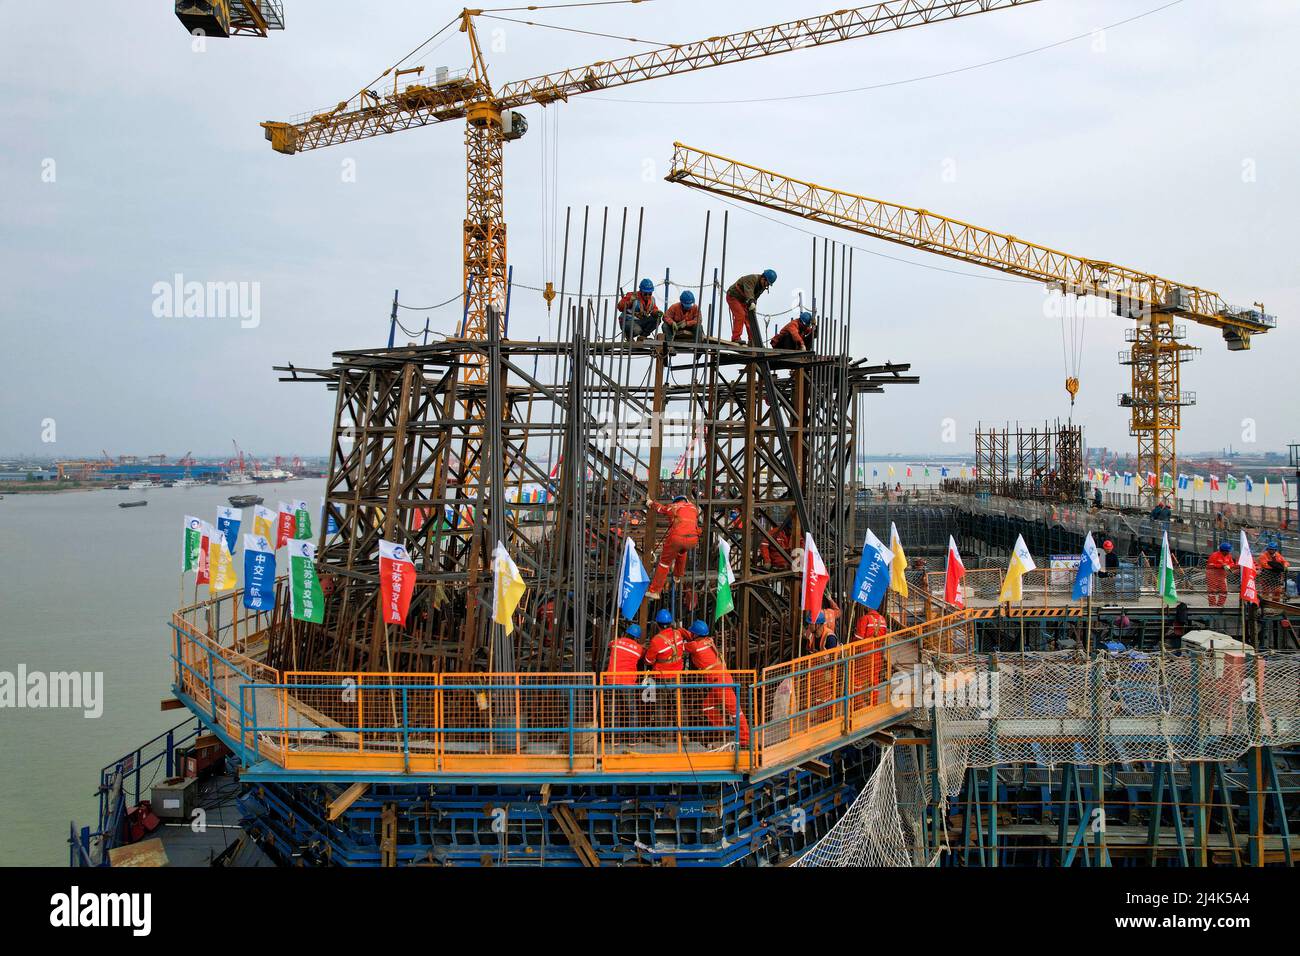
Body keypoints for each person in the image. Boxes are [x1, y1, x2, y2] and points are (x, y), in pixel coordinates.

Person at [683, 620, 751, 748]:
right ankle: (725, 728)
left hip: (720, 683)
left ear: (696, 635)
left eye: (693, 633)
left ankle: (745, 740)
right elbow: (691, 636)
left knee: (736, 711)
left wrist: (677, 631)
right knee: (707, 706)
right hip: (721, 680)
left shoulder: (695, 646)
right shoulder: (708, 640)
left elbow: (678, 646)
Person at [645, 493, 701, 599]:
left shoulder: (674, 506)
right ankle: (678, 575)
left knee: (664, 563)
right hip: (693, 539)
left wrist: (650, 503)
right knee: (682, 551)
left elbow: (661, 509)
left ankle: (655, 591)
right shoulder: (693, 508)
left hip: (677, 538)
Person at [604, 624, 646, 743]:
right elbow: (644, 656)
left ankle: (615, 739)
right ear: (637, 638)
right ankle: (633, 739)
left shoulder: (616, 642)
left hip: (611, 681)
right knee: (631, 710)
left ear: (626, 633)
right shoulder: (638, 649)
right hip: (627, 682)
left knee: (614, 710)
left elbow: (610, 644)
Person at [853, 600, 889, 707]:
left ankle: (857, 704)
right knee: (874, 679)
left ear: (867, 607)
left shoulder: (865, 619)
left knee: (857, 678)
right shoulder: (883, 620)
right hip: (877, 653)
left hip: (865, 653)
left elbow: (858, 639)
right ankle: (874, 703)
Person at [725, 269, 776, 344]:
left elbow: (755, 297)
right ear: (763, 278)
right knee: (740, 315)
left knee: (750, 318)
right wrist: (751, 302)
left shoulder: (762, 287)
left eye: (768, 284)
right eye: (767, 283)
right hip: (733, 296)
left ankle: (752, 340)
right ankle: (736, 338)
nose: (766, 286)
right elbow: (749, 291)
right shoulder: (752, 279)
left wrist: (754, 305)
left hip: (744, 300)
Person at [1205, 541, 1236, 607]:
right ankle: (1212, 605)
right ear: (1223, 551)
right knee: (1212, 590)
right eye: (1228, 551)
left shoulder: (1228, 556)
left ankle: (1220, 605)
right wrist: (1221, 565)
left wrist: (1229, 566)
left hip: (1222, 575)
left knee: (1224, 590)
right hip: (1212, 574)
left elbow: (1232, 563)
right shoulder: (1214, 555)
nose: (1229, 552)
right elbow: (1210, 565)